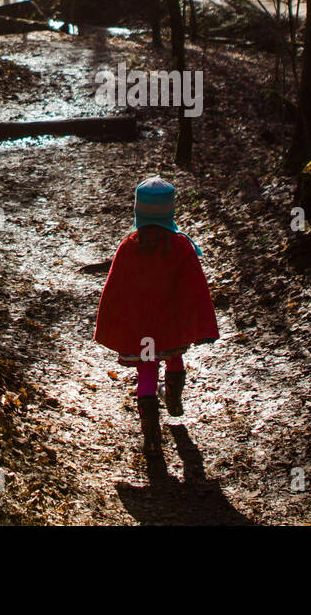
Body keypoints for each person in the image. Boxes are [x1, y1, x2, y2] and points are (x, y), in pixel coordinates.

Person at [94, 176, 219, 455]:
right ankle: (174, 401)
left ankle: (150, 434)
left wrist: (113, 324)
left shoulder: (129, 247)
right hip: (170, 326)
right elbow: (195, 287)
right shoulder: (181, 246)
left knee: (147, 369)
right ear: (170, 211)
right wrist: (198, 322)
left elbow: (114, 289)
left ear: (138, 211)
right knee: (174, 356)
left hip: (143, 331)